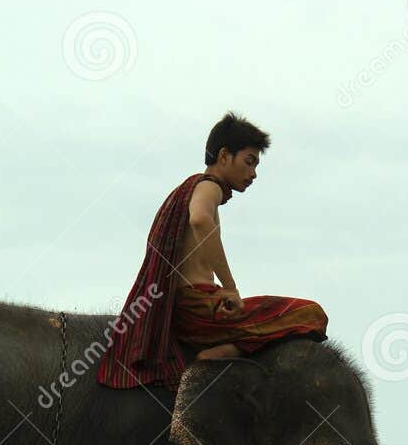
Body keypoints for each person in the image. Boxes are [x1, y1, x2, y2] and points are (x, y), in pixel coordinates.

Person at [96, 112, 329, 389]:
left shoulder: (189, 188)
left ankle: (230, 348)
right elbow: (199, 219)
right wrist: (229, 287)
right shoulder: (209, 186)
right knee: (310, 313)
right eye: (249, 161)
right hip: (198, 311)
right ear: (224, 156)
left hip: (185, 308)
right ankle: (227, 351)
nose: (254, 173)